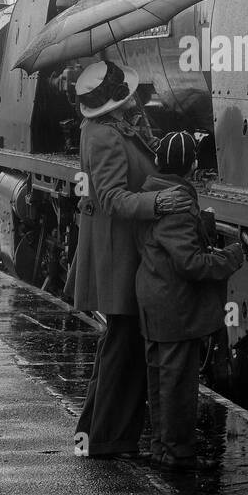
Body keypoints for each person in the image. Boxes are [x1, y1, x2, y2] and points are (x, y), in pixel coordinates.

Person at [71, 60, 190, 458]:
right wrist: (158, 201)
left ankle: (97, 434)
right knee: (123, 344)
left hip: (123, 248)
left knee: (120, 345)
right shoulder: (103, 135)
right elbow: (111, 198)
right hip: (118, 252)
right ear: (117, 98)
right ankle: (106, 440)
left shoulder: (114, 127)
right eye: (128, 92)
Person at [135, 131, 244, 471]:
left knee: (158, 380)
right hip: (174, 306)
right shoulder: (179, 204)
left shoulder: (151, 192)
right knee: (179, 385)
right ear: (193, 165)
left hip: (153, 299)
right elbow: (191, 263)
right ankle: (178, 453)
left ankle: (160, 448)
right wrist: (232, 256)